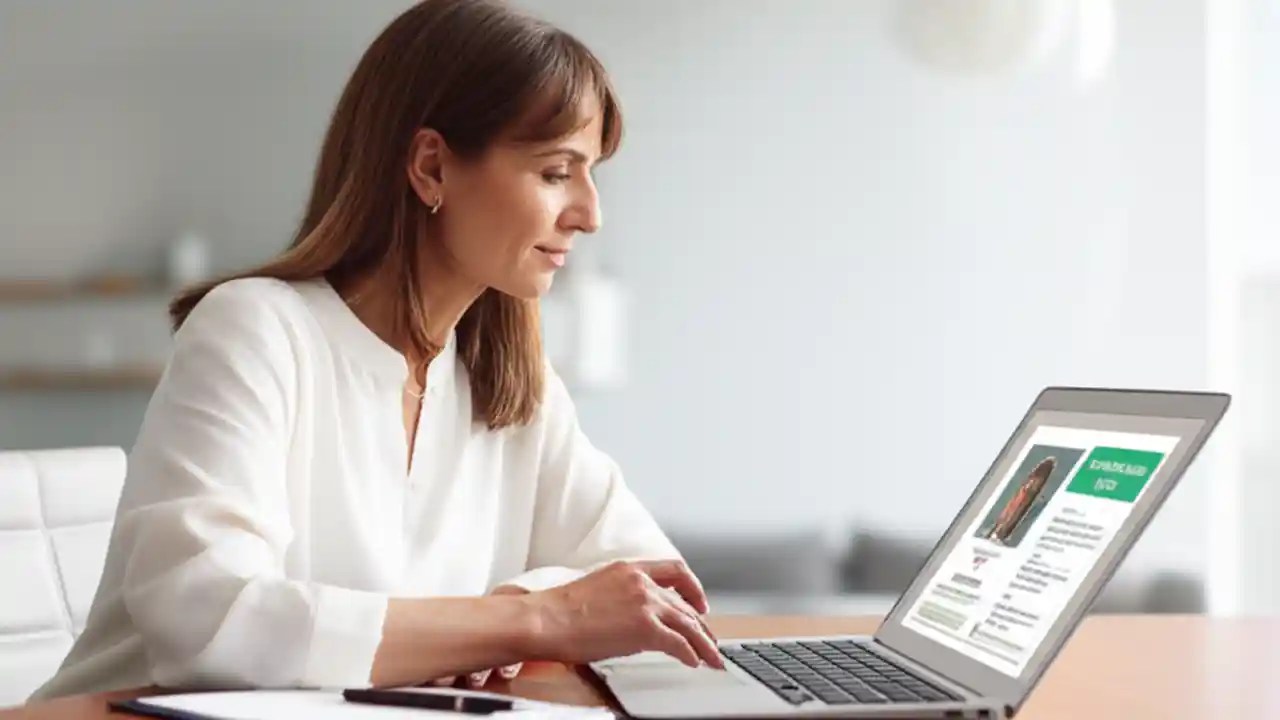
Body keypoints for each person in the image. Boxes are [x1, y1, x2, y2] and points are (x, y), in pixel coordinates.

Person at [31, 0, 721, 701]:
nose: (590, 213)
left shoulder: (510, 381)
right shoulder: (254, 332)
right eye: (554, 172)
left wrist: (518, 611)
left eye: (591, 172)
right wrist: (534, 618)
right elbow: (210, 621)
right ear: (431, 168)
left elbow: (655, 584)